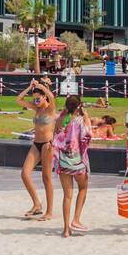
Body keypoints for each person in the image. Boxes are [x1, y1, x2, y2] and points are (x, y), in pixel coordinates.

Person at [52, 94, 92, 237]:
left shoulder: (60, 120)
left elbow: (54, 139)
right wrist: (87, 119)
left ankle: (66, 229)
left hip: (63, 162)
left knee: (67, 196)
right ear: (79, 106)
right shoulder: (80, 120)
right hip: (77, 161)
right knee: (83, 188)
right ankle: (76, 219)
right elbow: (87, 137)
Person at [16, 79, 57, 220]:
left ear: (44, 97)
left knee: (46, 178)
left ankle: (49, 211)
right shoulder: (36, 108)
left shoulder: (50, 108)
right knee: (24, 174)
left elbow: (51, 97)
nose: (36, 101)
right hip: (36, 144)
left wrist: (41, 86)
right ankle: (37, 204)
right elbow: (19, 100)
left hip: (47, 144)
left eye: (38, 99)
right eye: (34, 99)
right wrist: (30, 87)